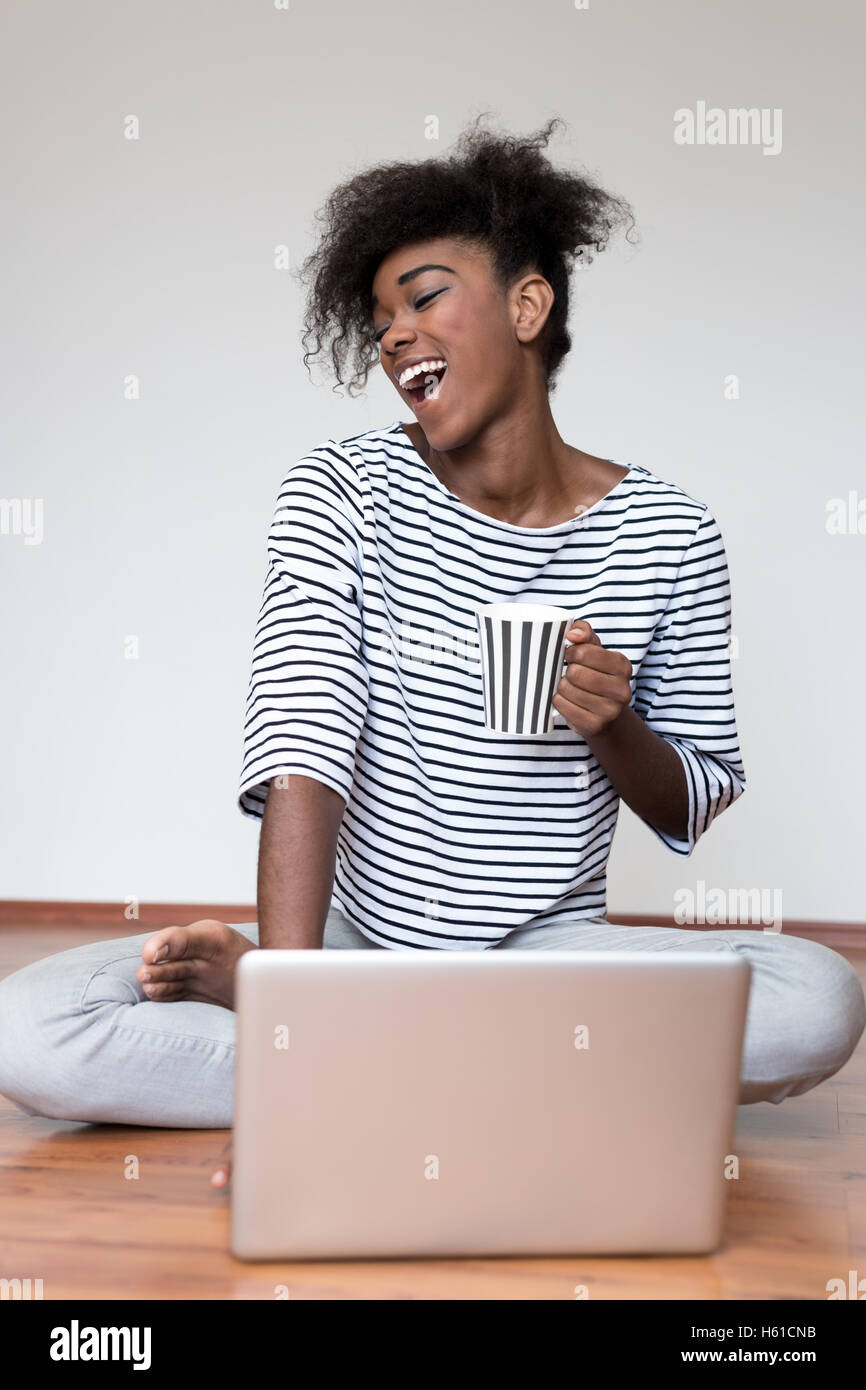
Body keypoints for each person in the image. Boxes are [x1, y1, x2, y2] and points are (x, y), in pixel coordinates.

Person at [1, 118, 863, 1181]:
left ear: (526, 303)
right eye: (379, 321)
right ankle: (400, 1050)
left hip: (545, 961)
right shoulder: (342, 489)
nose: (395, 335)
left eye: (423, 296)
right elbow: (302, 745)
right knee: (34, 1023)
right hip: (354, 952)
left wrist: (613, 724)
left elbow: (691, 799)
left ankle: (371, 1064)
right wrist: (289, 1001)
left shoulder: (669, 533)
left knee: (816, 997)